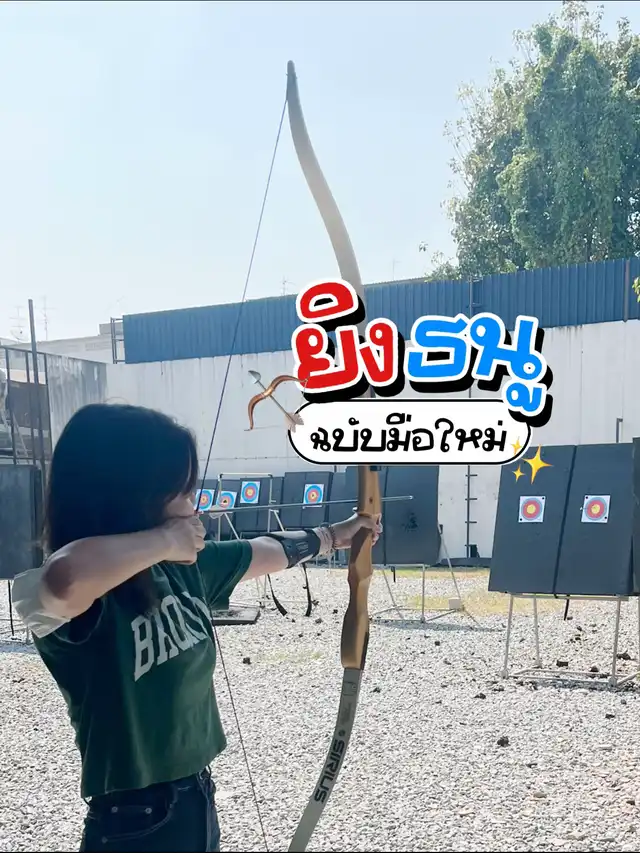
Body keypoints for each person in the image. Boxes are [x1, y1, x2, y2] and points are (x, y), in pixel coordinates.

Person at [12, 403, 381, 853]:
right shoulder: (60, 591)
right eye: (183, 491)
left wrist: (335, 536)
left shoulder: (181, 567)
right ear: (136, 494)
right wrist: (167, 539)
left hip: (195, 798)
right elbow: (65, 578)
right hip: (133, 821)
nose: (195, 505)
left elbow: (263, 551)